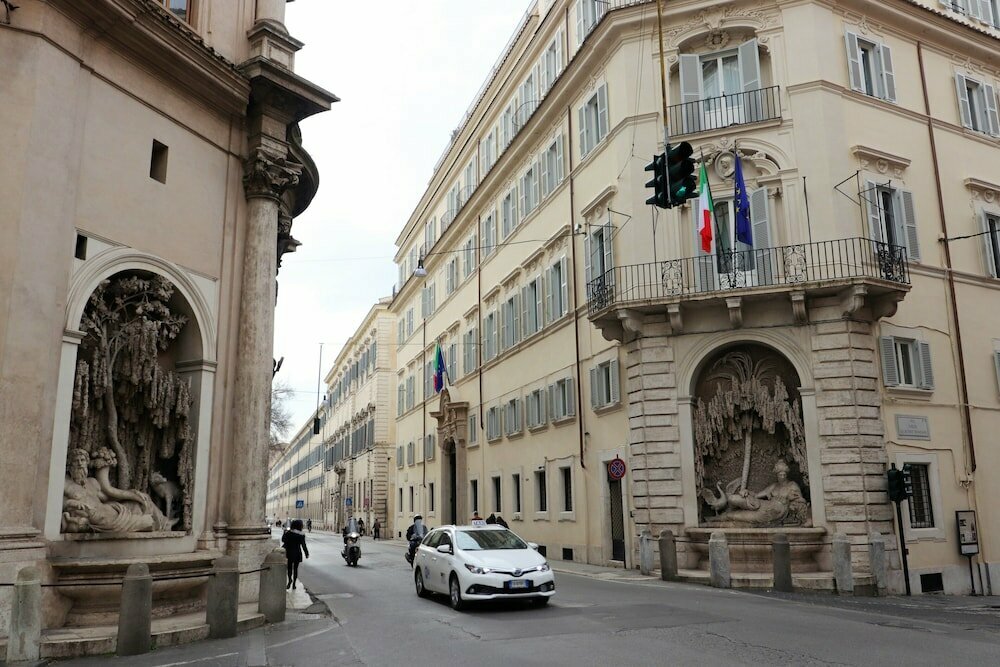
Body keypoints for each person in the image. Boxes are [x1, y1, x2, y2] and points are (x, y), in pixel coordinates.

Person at [281, 519, 309, 590]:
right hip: (297, 552)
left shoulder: (289, 533)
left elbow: (283, 540)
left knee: (289, 568)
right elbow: (303, 545)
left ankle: (290, 579)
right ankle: (294, 584)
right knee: (296, 569)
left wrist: (284, 532)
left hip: (289, 552)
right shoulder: (301, 535)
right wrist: (306, 553)